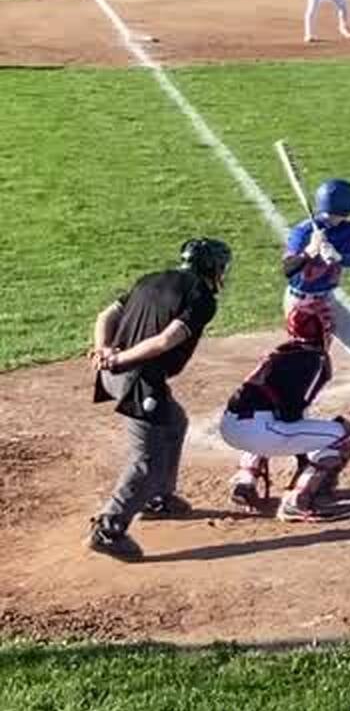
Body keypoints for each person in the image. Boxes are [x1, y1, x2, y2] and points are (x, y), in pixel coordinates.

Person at [85, 238, 232, 561]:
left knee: (175, 422)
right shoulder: (201, 297)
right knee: (146, 461)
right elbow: (165, 341)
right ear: (212, 267)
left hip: (116, 374)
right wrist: (119, 360)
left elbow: (105, 315)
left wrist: (103, 350)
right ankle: (108, 529)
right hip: (136, 380)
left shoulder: (149, 279)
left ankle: (159, 498)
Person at [221, 297, 350, 522]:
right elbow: (291, 416)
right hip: (259, 431)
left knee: (269, 421)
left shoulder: (283, 351)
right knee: (345, 435)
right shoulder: (316, 360)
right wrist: (305, 458)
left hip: (231, 425)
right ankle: (296, 501)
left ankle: (245, 479)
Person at [283, 178, 350, 413]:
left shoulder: (347, 230)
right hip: (301, 305)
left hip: (328, 300)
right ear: (345, 208)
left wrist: (335, 254)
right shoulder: (303, 232)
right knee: (310, 362)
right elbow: (288, 270)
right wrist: (310, 251)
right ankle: (295, 412)